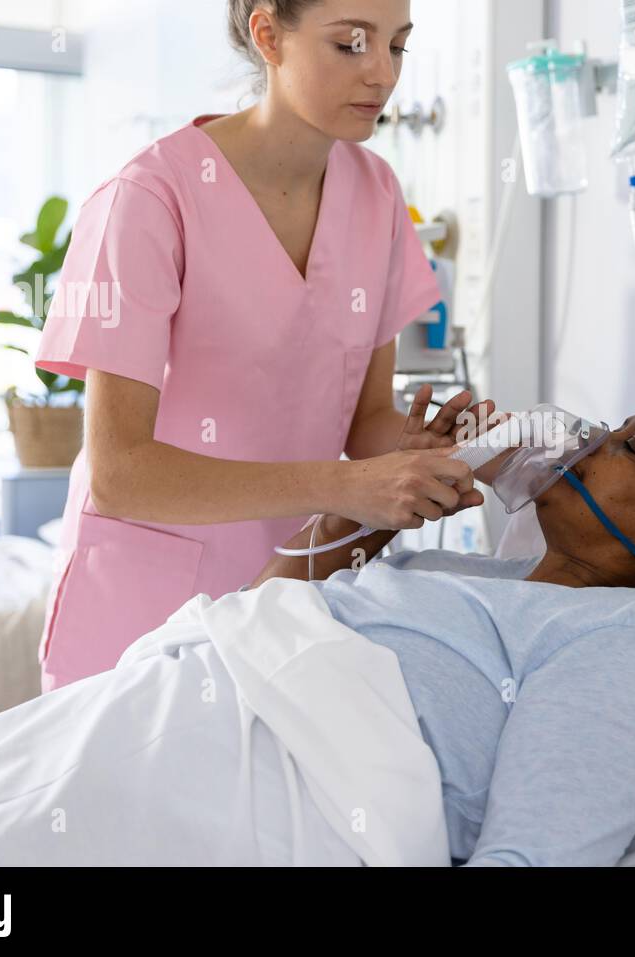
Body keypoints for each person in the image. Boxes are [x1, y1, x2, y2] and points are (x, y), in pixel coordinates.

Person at [0, 384, 635, 866]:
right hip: (191, 690)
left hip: (268, 780)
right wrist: (384, 496)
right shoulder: (490, 563)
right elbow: (280, 593)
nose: (586, 441)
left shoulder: (623, 649)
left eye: (629, 448)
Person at [32, 0, 488, 690]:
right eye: (351, 45)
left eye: (398, 47)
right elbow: (119, 472)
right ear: (268, 35)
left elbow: (366, 425)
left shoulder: (378, 196)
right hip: (138, 623)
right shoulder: (151, 199)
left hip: (282, 606)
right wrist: (348, 485)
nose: (382, 74)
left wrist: (441, 450)